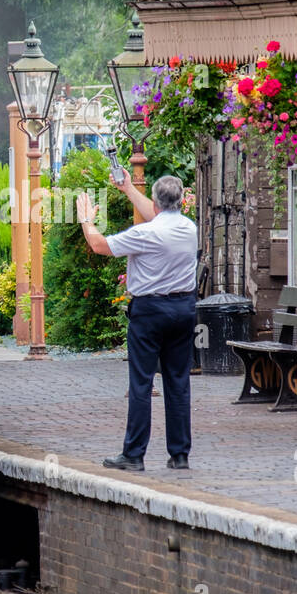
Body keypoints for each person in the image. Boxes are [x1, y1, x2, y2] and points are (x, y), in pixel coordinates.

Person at [77, 174, 198, 471]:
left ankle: (134, 454)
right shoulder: (189, 228)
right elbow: (158, 214)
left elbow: (99, 245)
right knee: (178, 381)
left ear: (156, 202)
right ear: (181, 201)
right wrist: (128, 188)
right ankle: (180, 454)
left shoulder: (145, 234)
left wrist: (85, 219)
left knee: (142, 382)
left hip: (150, 311)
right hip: (183, 308)